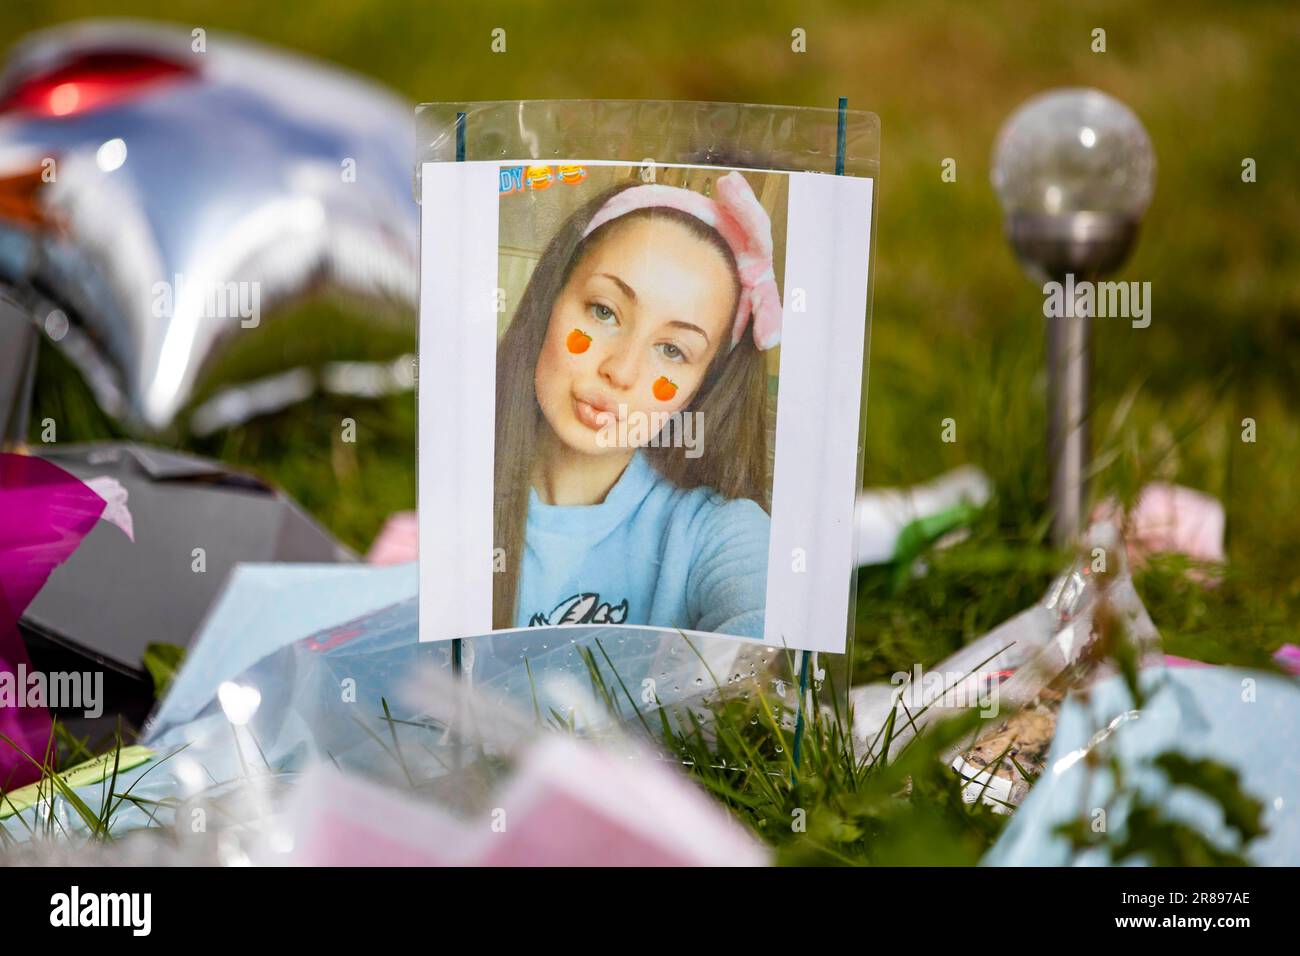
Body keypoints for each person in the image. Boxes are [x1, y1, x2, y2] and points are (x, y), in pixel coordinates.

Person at [493, 170, 782, 638]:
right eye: (604, 312)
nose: (621, 371)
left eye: (672, 350)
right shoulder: (448, 487)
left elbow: (771, 668)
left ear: (701, 387)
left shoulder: (716, 534)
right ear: (551, 299)